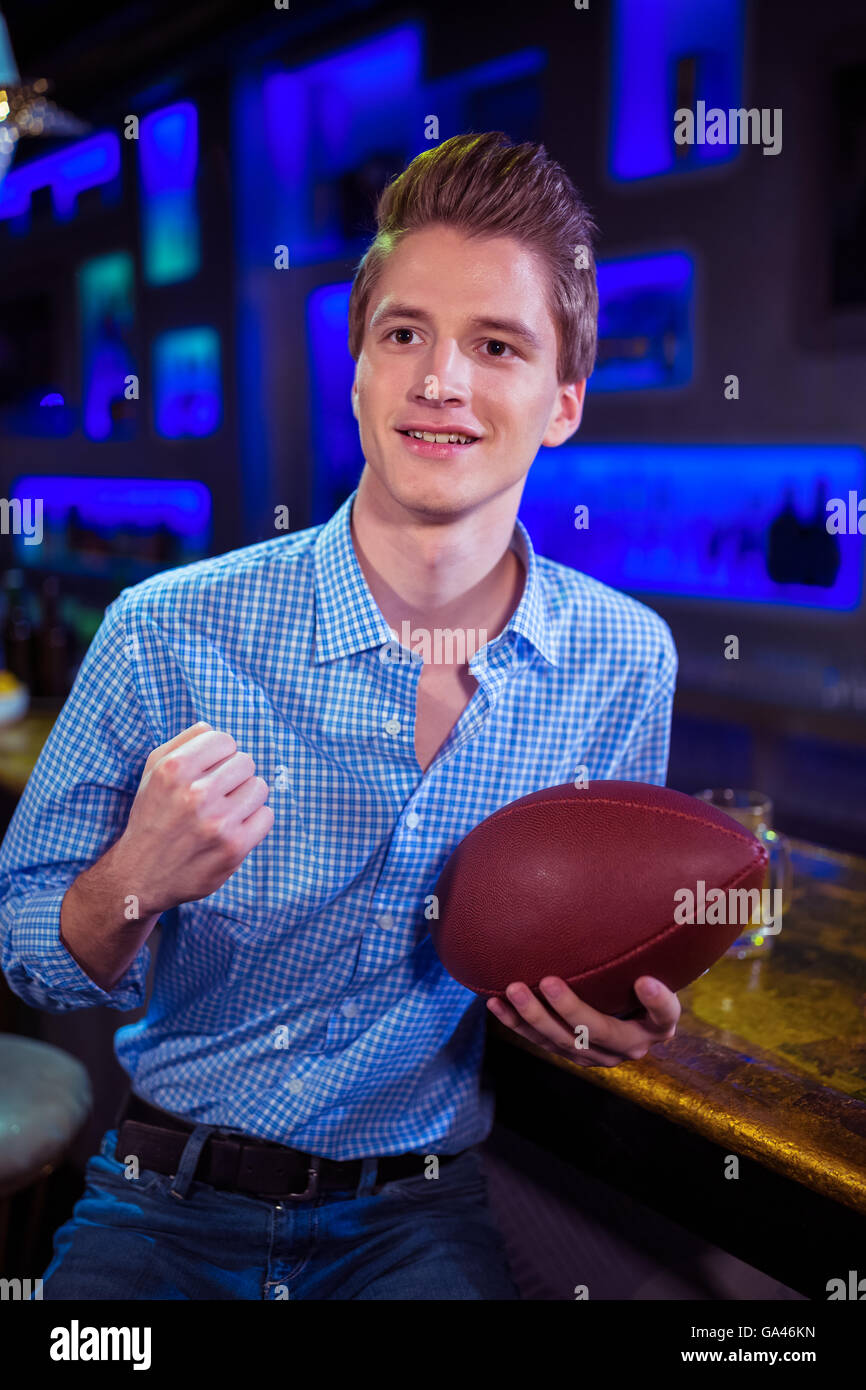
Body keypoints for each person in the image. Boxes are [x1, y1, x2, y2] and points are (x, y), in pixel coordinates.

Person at [0, 131, 680, 1301]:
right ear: (357, 368)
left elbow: (579, 958)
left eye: (497, 345)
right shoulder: (166, 628)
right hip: (163, 1196)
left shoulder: (623, 662)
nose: (440, 380)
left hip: (418, 1211)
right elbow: (25, 947)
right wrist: (134, 880)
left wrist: (601, 1016)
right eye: (403, 333)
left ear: (563, 401)